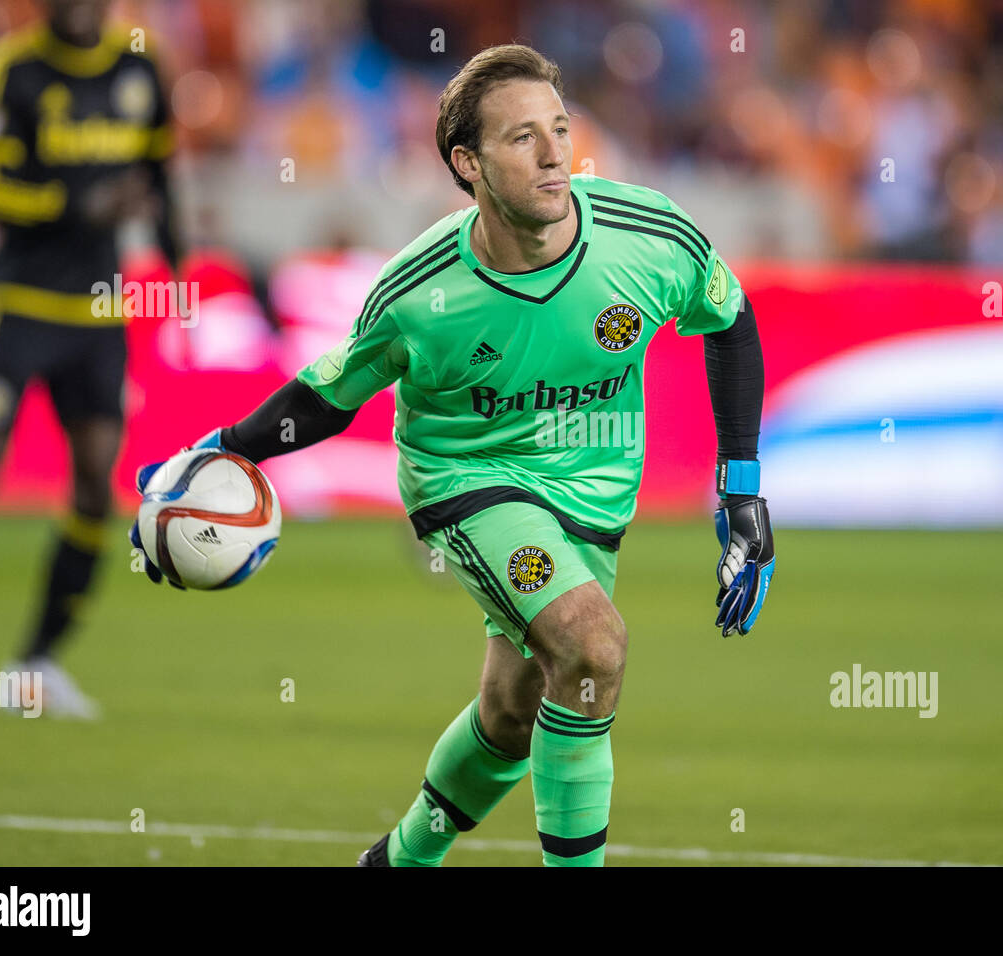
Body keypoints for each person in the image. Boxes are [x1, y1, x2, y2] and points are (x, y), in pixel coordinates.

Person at [132, 44, 774, 866]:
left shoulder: (646, 237)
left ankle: (397, 860)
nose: (554, 155)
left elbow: (730, 321)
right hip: (468, 479)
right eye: (522, 138)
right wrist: (219, 453)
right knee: (593, 646)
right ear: (467, 164)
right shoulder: (420, 294)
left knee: (513, 715)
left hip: (595, 494)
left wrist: (742, 490)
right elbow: (326, 397)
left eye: (560, 129)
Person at [0, 0, 180, 717]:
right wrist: (79, 206)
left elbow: (160, 172)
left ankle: (35, 666)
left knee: (93, 485)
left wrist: (175, 260)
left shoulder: (139, 68)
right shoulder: (11, 68)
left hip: (100, 312)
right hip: (22, 304)